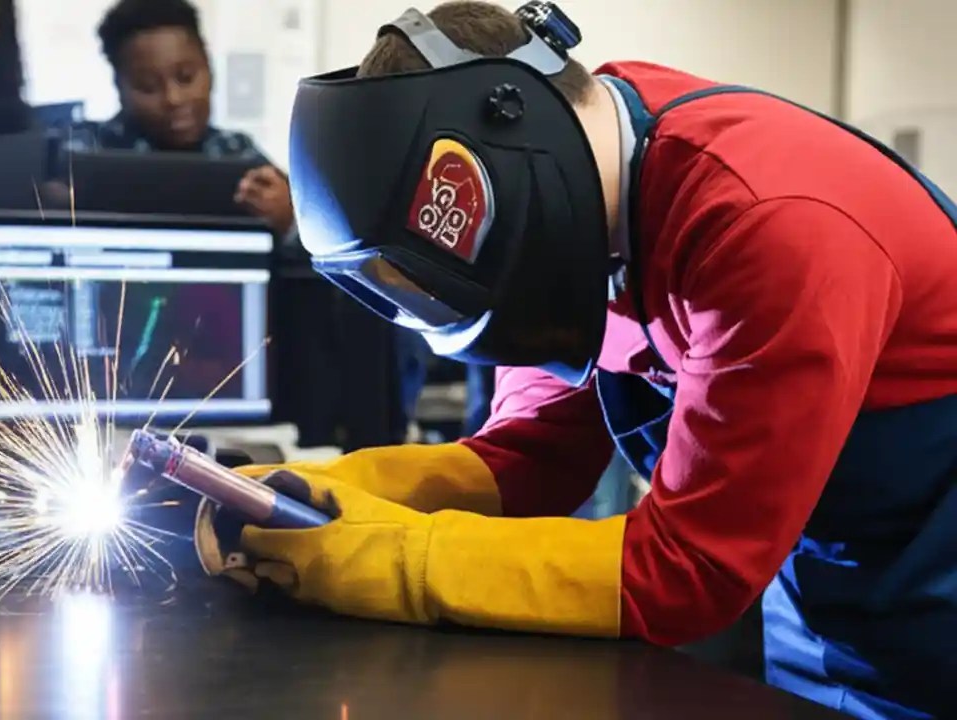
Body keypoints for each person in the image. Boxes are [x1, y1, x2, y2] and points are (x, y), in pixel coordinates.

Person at [210, 2, 957, 718]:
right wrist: (314, 495)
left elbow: (689, 568)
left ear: (507, 134)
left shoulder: (770, 227)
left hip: (934, 608)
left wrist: (391, 561)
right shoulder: (576, 195)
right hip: (820, 595)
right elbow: (532, 458)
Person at [66, 0, 295, 235]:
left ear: (209, 69)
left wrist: (287, 220)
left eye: (186, 77)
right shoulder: (84, 151)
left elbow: (308, 242)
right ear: (118, 86)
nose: (173, 99)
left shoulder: (238, 152)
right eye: (147, 86)